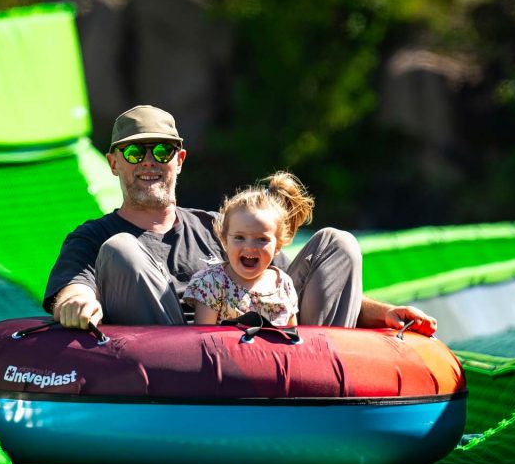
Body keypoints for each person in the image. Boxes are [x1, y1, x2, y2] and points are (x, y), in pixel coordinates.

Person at [44, 104, 436, 335]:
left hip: (260, 357)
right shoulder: (93, 238)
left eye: (161, 151)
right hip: (174, 368)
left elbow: (286, 287)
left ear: (178, 161)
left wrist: (377, 312)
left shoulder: (221, 227)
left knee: (338, 243)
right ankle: (180, 391)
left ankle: (325, 382)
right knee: (122, 250)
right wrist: (77, 302)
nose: (149, 162)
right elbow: (72, 289)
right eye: (134, 154)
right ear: (113, 163)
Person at [183, 172, 312, 326]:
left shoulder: (283, 284)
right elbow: (204, 338)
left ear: (278, 246)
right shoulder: (212, 283)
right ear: (224, 240)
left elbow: (293, 336)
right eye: (239, 237)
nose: (250, 247)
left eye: (262, 239)